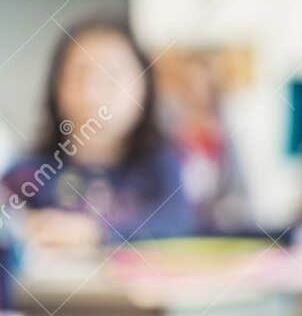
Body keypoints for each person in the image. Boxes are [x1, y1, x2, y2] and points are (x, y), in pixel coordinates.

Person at [3, 18, 196, 247]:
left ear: (145, 86)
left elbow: (179, 224)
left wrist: (95, 232)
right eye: (79, 74)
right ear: (56, 86)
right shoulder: (29, 172)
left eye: (111, 77)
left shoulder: (162, 165)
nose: (92, 92)